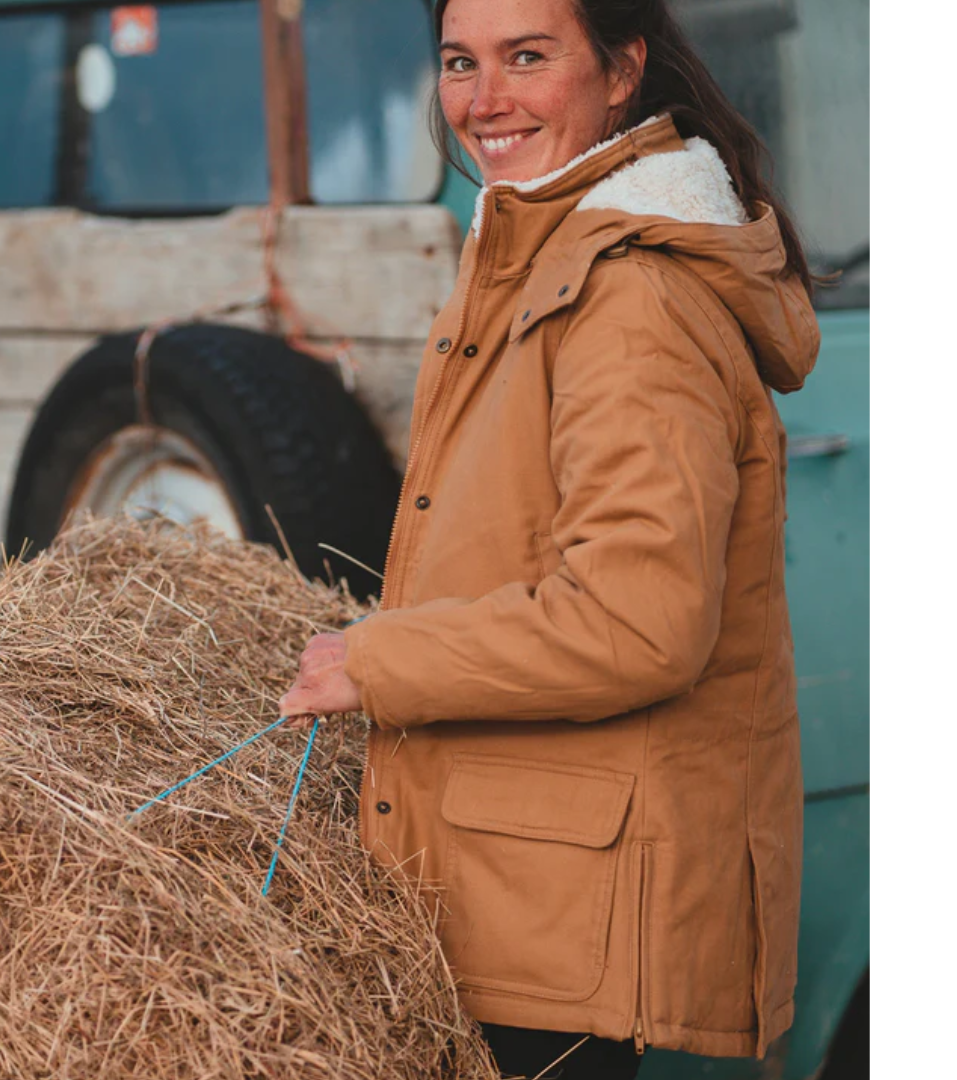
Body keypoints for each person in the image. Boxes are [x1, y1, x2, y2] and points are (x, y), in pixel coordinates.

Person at [280, 0, 819, 1076]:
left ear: (622, 71)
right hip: (521, 885)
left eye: (528, 57)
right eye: (459, 62)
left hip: (564, 908)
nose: (486, 101)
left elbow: (637, 621)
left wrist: (379, 662)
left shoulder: (630, 298)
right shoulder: (534, 252)